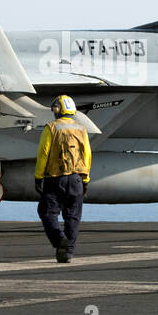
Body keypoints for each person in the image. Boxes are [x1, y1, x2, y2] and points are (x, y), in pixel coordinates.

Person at [35, 95, 92, 263]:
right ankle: (66, 254)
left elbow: (43, 154)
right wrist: (85, 179)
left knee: (47, 212)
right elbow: (87, 155)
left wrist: (38, 176)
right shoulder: (82, 129)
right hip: (76, 179)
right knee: (73, 217)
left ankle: (59, 239)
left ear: (57, 109)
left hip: (55, 178)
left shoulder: (51, 128)